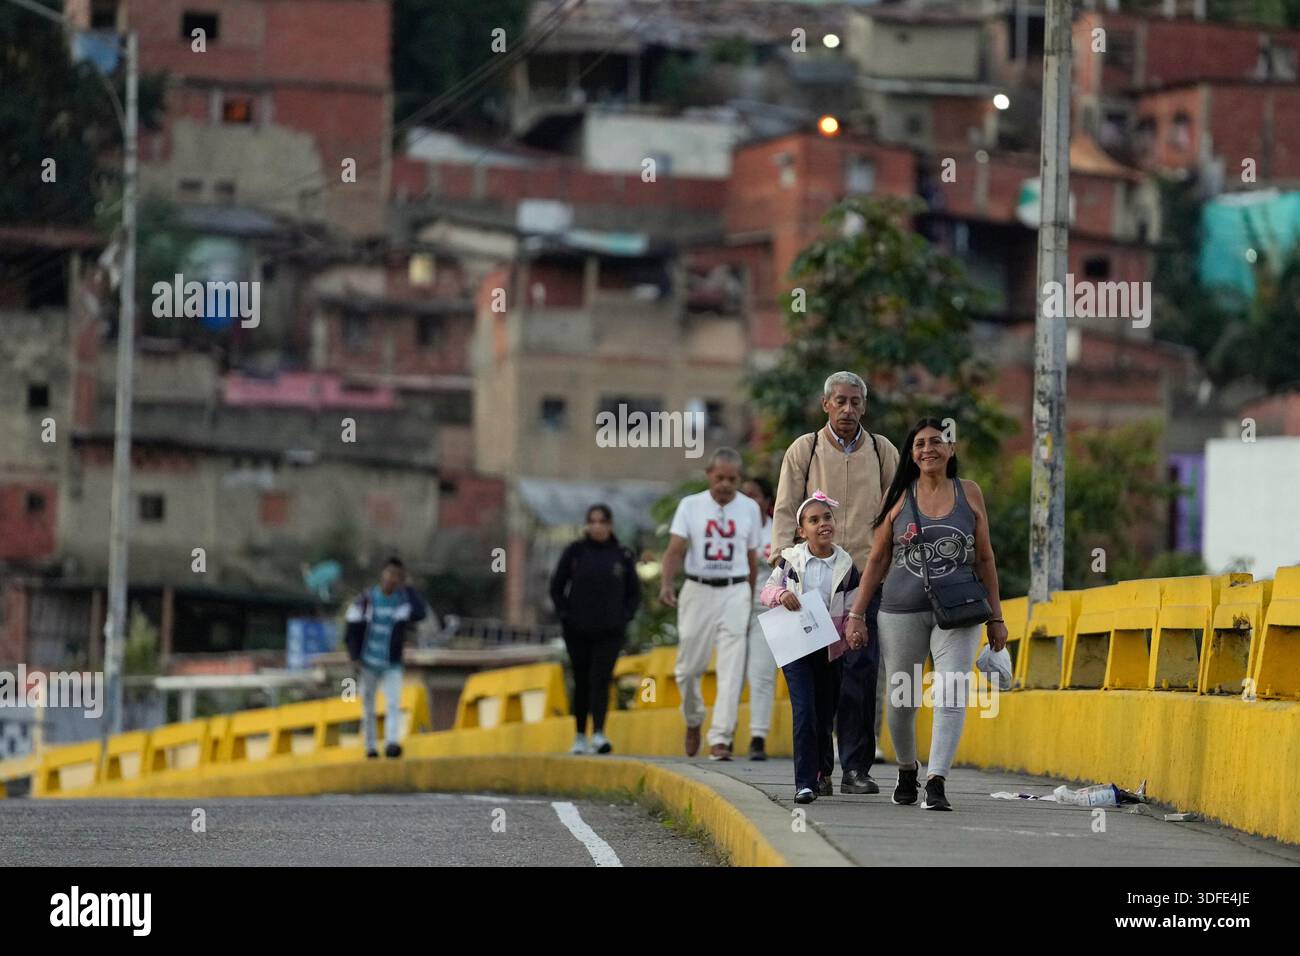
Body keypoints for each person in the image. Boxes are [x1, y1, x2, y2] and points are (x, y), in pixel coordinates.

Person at [844, 418, 1008, 811]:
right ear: (911, 454)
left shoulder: (969, 493)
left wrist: (996, 617)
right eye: (919, 444)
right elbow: (878, 558)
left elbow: (984, 557)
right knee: (903, 701)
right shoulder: (899, 495)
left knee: (952, 690)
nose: (928, 449)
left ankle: (936, 781)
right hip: (901, 611)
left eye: (937, 442)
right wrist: (855, 614)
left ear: (951, 450)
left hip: (961, 612)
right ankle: (907, 768)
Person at [770, 371, 899, 795]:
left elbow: (896, 511)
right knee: (821, 678)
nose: (847, 409)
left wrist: (895, 566)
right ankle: (821, 771)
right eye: (839, 401)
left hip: (864, 578)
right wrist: (780, 560)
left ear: (864, 406)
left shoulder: (883, 452)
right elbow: (787, 507)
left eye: (855, 402)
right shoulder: (804, 450)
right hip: (812, 581)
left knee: (860, 674)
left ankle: (856, 770)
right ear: (825, 404)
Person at [659, 448, 763, 760]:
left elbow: (751, 558)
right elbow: (675, 548)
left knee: (732, 668)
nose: (725, 485)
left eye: (732, 479)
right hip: (697, 589)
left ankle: (721, 738)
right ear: (709, 475)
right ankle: (693, 719)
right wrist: (666, 582)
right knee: (688, 669)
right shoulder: (690, 506)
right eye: (720, 478)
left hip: (735, 592)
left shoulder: (749, 509)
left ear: (739, 479)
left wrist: (750, 595)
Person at [759, 491, 861, 803]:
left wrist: (856, 628)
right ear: (802, 530)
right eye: (813, 520)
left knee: (823, 714)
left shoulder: (846, 565)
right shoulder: (790, 562)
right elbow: (766, 590)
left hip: (831, 649)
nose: (822, 525)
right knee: (803, 711)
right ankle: (804, 782)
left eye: (826, 518)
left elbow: (854, 606)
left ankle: (823, 771)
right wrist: (780, 596)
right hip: (797, 647)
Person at [549, 503, 640, 755]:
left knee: (601, 679)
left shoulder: (622, 555)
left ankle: (599, 733)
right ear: (587, 524)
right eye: (593, 521)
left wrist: (624, 617)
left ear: (610, 525)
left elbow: (634, 594)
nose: (597, 526)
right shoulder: (575, 552)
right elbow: (557, 587)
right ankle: (579, 735)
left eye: (602, 521)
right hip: (578, 630)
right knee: (581, 681)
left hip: (610, 631)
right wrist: (566, 615)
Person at [344, 557, 428, 759]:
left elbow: (420, 612)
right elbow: (350, 630)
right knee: (369, 706)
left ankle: (392, 744)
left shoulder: (402, 602)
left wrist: (409, 588)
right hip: (368, 662)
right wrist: (355, 656)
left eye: (397, 576)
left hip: (392, 662)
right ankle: (370, 747)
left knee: (393, 703)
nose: (392, 578)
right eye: (389, 573)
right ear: (382, 574)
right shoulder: (366, 601)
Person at [741, 477, 778, 760]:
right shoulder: (733, 530)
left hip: (772, 608)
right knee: (742, 674)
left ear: (767, 501)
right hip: (739, 607)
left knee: (762, 673)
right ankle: (727, 735)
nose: (749, 501)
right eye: (745, 495)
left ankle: (758, 737)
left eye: (755, 495)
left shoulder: (779, 531)